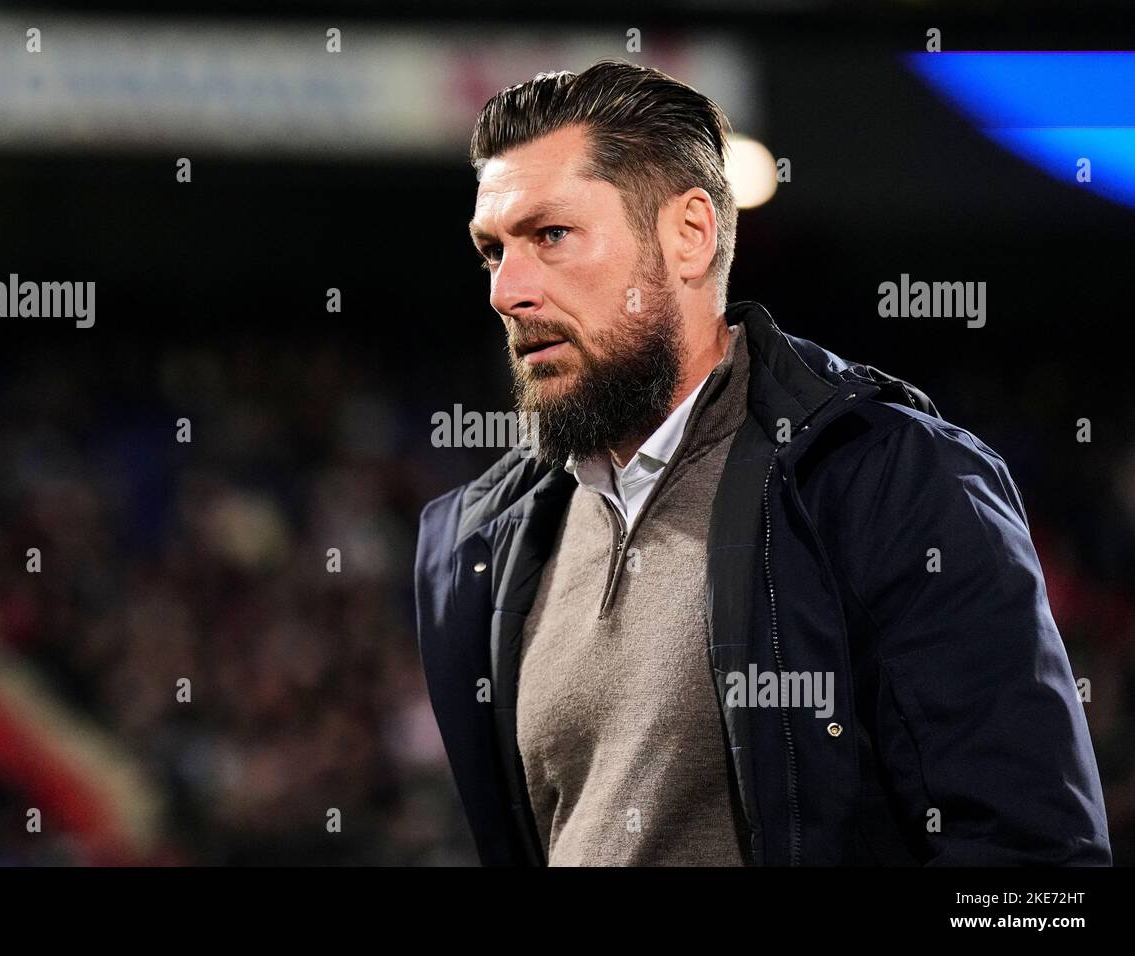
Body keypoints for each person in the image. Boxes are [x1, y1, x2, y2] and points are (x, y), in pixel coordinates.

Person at [413, 59, 1111, 866]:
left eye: (551, 236)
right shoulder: (484, 546)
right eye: (492, 251)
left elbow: (1032, 869)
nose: (508, 289)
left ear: (689, 234)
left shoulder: (886, 480)